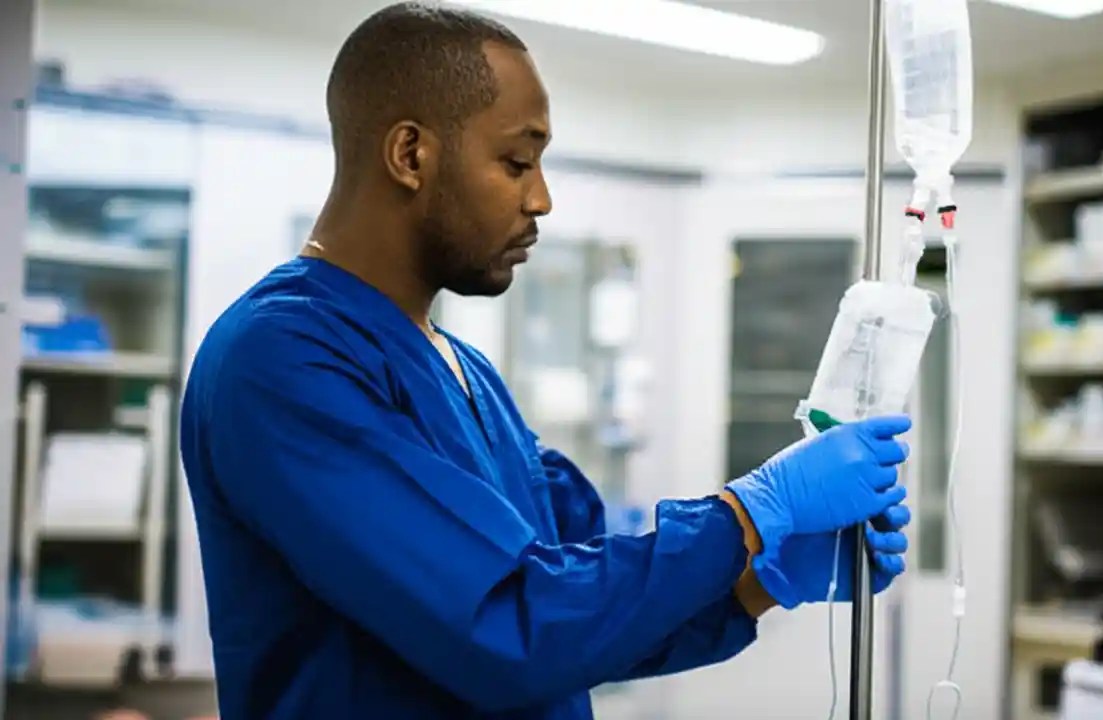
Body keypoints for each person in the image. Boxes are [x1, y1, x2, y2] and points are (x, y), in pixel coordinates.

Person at [178, 4, 914, 719]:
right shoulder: (280, 360)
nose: (541, 198)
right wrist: (751, 514)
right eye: (516, 162)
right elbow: (504, 628)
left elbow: (580, 617)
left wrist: (761, 576)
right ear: (410, 155)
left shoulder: (465, 373)